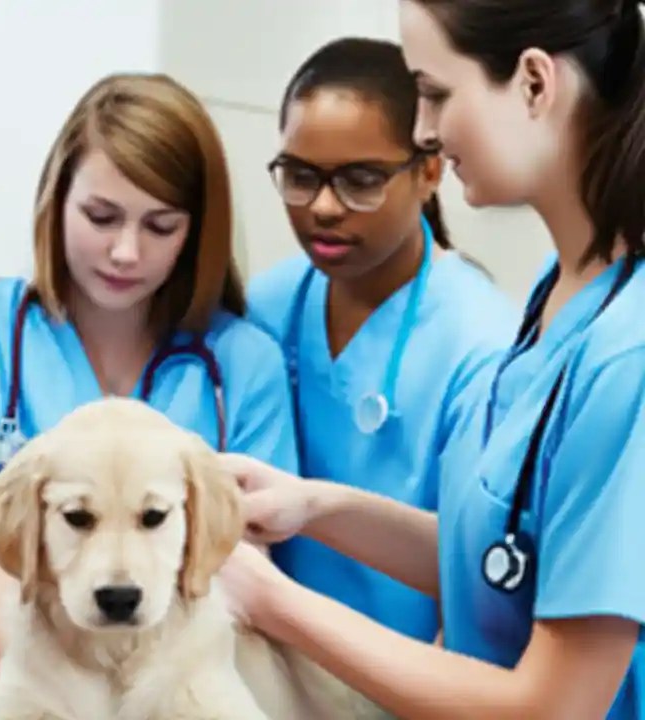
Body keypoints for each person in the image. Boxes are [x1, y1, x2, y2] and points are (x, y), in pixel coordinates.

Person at [219, 1, 645, 718]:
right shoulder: (561, 293)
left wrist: (270, 601)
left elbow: (553, 705)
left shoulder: (626, 354)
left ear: (535, 83)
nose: (423, 131)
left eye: (436, 94)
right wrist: (316, 507)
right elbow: (500, 563)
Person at [0, 72, 299, 704]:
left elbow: (239, 583)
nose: (125, 251)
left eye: (161, 226)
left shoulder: (243, 364)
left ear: (197, 230)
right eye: (101, 217)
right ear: (56, 199)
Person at [246, 37, 518, 644]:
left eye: (361, 180)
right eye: (300, 177)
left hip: (409, 675)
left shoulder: (483, 346)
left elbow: (485, 580)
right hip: (270, 667)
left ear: (429, 172)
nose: (323, 207)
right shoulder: (265, 309)